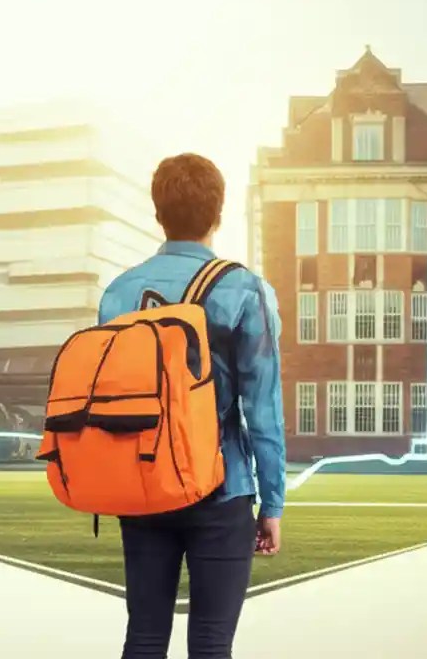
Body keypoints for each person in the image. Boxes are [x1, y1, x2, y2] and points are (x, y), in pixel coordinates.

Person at [97, 152, 286, 659]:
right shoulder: (244, 289)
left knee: (143, 637)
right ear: (218, 213)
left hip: (142, 484)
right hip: (220, 488)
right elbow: (262, 408)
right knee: (209, 641)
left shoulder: (118, 292)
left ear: (158, 213)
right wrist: (272, 504)